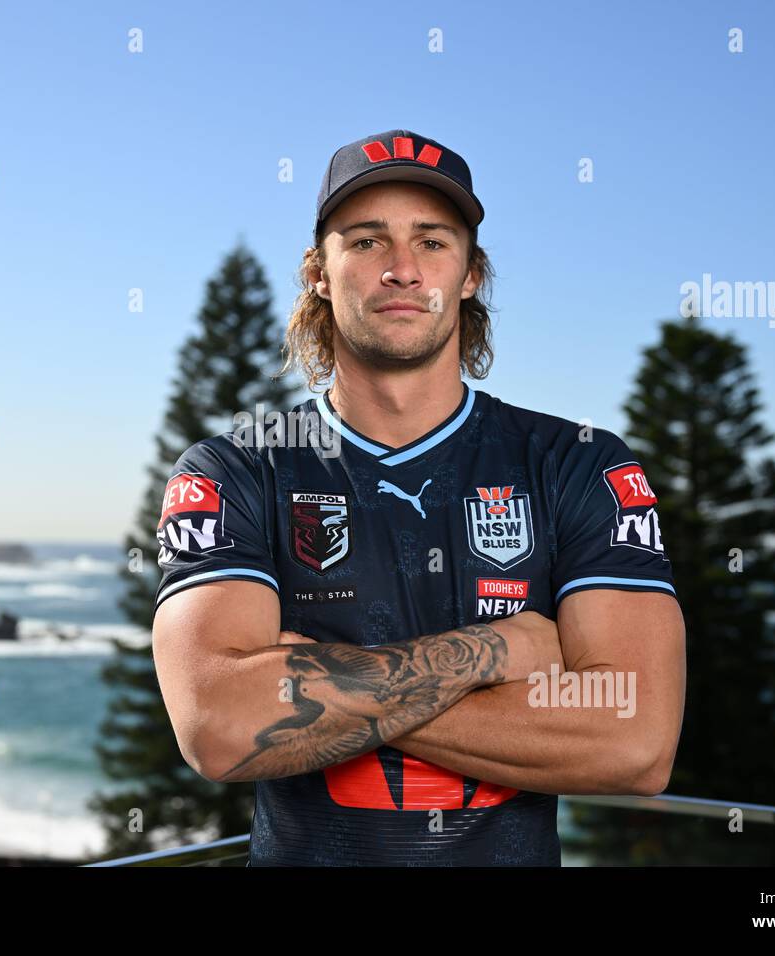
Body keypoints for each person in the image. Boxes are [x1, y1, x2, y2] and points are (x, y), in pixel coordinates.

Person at [151, 129, 686, 866]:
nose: (402, 270)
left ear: (471, 275)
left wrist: (315, 682)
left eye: (433, 242)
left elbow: (636, 742)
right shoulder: (236, 470)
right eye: (367, 242)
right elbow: (217, 726)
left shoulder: (577, 464)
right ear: (318, 272)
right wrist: (499, 650)